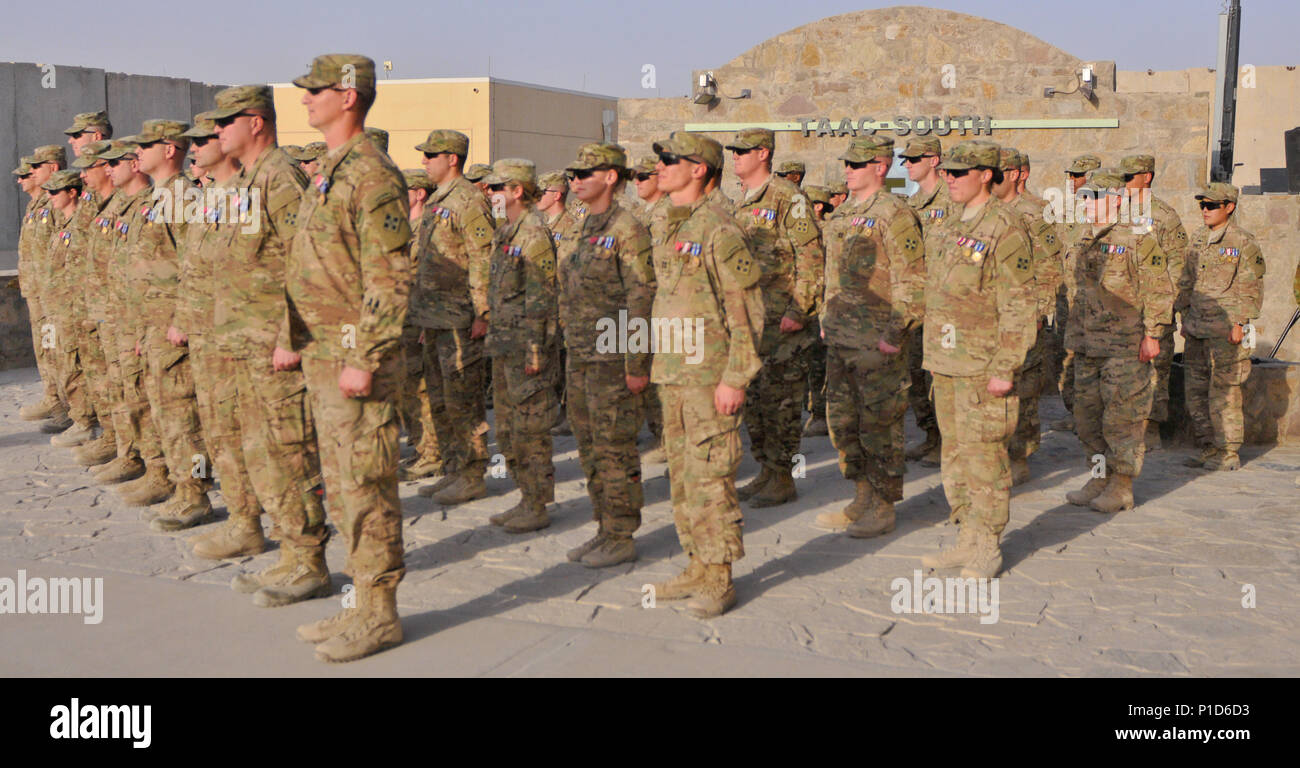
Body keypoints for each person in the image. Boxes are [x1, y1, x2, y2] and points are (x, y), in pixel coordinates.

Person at [288, 53, 413, 662]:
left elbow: (389, 277)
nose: (305, 98)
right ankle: (359, 606)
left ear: (349, 96)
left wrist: (365, 355)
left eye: (315, 90)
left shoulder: (372, 174)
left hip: (356, 361)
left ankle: (381, 614)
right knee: (341, 490)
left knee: (367, 486)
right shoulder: (328, 172)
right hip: (324, 358)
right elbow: (311, 268)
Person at [646, 132, 763, 618]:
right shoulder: (669, 223)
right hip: (674, 374)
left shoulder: (719, 228)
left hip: (708, 377)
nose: (660, 167)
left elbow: (747, 308)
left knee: (712, 477)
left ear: (699, 169)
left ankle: (719, 576)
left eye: (670, 160)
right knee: (683, 477)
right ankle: (696, 562)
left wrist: (735, 377)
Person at [919, 141, 1037, 579]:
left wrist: (1006, 366)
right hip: (948, 363)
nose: (949, 178)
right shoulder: (947, 225)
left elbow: (1020, 303)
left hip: (984, 365)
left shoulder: (1004, 228)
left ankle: (987, 545)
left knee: (986, 458)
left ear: (986, 174)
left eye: (959, 172)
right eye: (947, 172)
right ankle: (966, 536)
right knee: (955, 456)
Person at [816, 134, 924, 537]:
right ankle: (861, 494)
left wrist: (894, 334)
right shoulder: (842, 215)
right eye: (846, 163)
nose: (848, 170)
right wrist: (826, 316)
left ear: (880, 168)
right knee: (843, 423)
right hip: (842, 338)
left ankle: (883, 504)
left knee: (879, 425)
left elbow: (913, 279)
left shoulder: (895, 214)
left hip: (878, 341)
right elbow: (833, 275)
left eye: (856, 164)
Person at [555, 143, 655, 566]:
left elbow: (641, 294)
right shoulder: (580, 224)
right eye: (573, 174)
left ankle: (621, 533)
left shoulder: (626, 227)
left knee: (615, 448)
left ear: (611, 177)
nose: (575, 181)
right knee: (589, 448)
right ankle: (603, 525)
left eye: (585, 173)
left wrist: (635, 362)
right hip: (579, 354)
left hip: (613, 356)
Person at [1063, 169, 1173, 513]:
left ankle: (1121, 486)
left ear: (1115, 199)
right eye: (1084, 197)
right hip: (1086, 343)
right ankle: (1099, 477)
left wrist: (1153, 333)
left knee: (1122, 418)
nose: (1086, 203)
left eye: (1093, 197)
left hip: (1124, 345)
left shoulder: (1139, 236)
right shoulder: (1082, 236)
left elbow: (1159, 288)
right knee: (1087, 417)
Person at [725, 128, 823, 508]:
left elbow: (811, 255)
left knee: (782, 401)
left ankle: (783, 476)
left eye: (742, 151)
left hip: (782, 322)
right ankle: (765, 470)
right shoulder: (742, 201)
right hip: (750, 321)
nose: (735, 156)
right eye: (733, 151)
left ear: (763, 153)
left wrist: (800, 309)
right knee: (757, 401)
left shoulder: (787, 196)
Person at [411, 129, 496, 505]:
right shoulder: (436, 201)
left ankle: (473, 474)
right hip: (433, 318)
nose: (424, 161)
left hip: (461, 318)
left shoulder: (468, 201)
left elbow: (483, 258)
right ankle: (453, 469)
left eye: (431, 155)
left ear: (452, 159)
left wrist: (483, 313)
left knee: (464, 401)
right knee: (442, 401)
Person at [480, 158, 562, 533]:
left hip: (527, 349)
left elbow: (542, 298)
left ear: (516, 191)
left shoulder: (533, 236)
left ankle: (537, 502)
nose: (490, 193)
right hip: (504, 346)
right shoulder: (505, 233)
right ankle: (524, 495)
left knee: (531, 430)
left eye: (497, 187)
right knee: (508, 430)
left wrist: (535, 351)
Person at [1179, 182, 1263, 471]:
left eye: (1211, 205)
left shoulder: (1243, 241)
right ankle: (1208, 447)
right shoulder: (1199, 238)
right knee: (1196, 392)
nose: (1205, 210)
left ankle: (1228, 452)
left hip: (1226, 331)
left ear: (1229, 207)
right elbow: (1187, 280)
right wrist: (1183, 317)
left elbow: (1251, 285)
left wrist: (1241, 322)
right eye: (1202, 204)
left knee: (1225, 393)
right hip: (1197, 327)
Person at [993, 147, 1062, 485]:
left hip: (1025, 312)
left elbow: (1051, 264)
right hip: (993, 314)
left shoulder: (1036, 213)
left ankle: (1020, 455)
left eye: (1001, 171)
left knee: (1024, 386)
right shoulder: (986, 211)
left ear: (1019, 174)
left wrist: (1039, 310)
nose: (993, 178)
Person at [1120, 154, 1188, 451]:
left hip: (1153, 308)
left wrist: (1166, 307)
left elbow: (1178, 264)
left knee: (1156, 372)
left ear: (1146, 177)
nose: (1123, 183)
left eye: (1129, 176)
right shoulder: (1117, 212)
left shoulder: (1164, 216)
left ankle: (1152, 430)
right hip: (1123, 310)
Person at [901, 136, 952, 466]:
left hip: (946, 305)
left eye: (914, 159)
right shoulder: (912, 203)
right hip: (918, 304)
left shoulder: (953, 198)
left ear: (934, 160)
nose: (907, 164)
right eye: (905, 159)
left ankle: (950, 443)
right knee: (916, 375)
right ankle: (932, 436)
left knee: (943, 377)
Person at [396, 169, 442, 482]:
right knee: (408, 387)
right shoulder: (407, 227)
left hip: (420, 318)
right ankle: (420, 444)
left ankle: (433, 453)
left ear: (420, 193)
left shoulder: (429, 228)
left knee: (424, 389)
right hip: (404, 318)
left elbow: (433, 277)